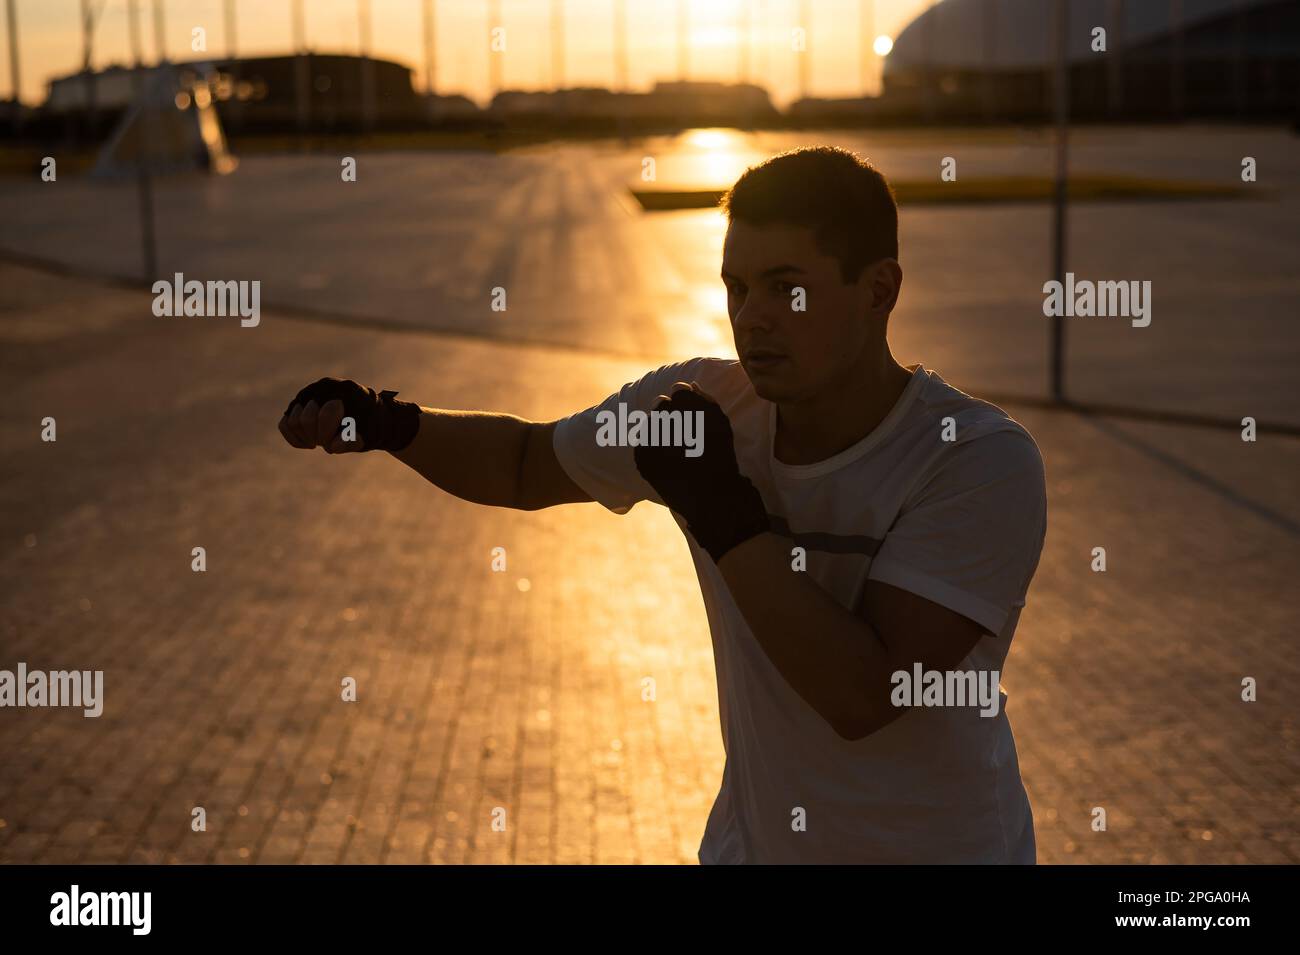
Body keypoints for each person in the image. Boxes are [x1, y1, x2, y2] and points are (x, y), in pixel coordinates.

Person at [278, 146, 1048, 864]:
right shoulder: (709, 405)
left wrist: (727, 516)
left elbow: (864, 692)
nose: (754, 317)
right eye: (738, 288)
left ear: (879, 290)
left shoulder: (974, 457)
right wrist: (388, 422)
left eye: (789, 288)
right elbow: (523, 464)